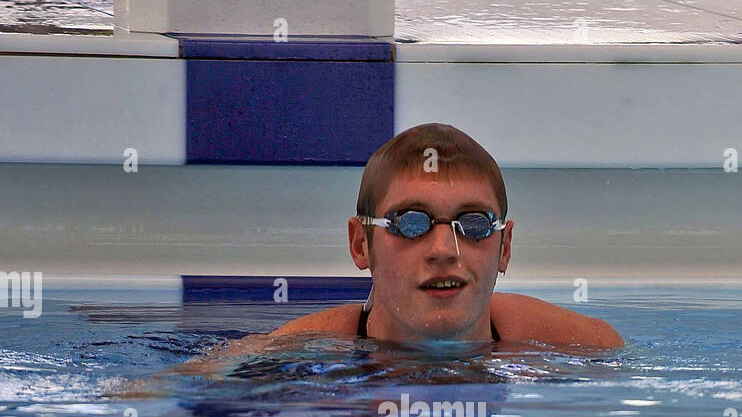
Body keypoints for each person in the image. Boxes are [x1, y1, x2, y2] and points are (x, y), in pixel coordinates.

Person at [176, 122, 622, 375]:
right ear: (360, 244)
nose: (445, 249)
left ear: (504, 247)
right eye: (411, 223)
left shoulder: (590, 347)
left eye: (474, 224)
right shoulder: (287, 355)